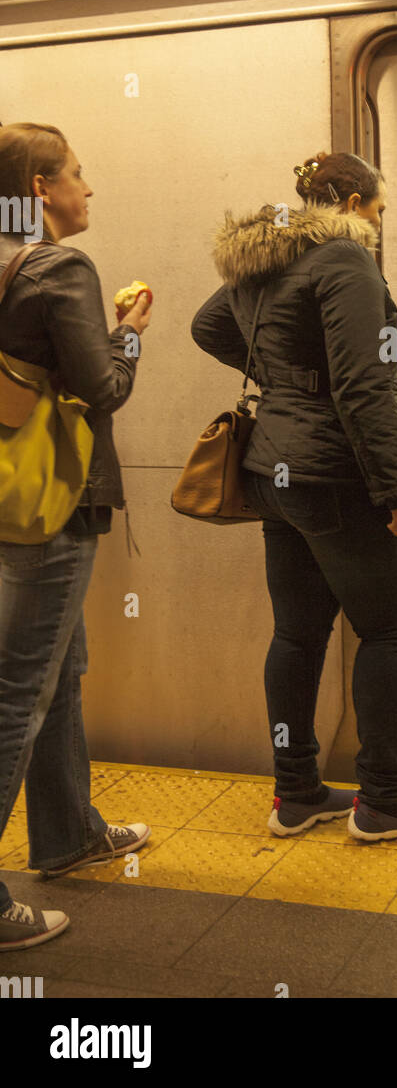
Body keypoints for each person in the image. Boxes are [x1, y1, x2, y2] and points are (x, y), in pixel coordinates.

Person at [190, 151, 397, 842]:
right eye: (378, 208)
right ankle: (384, 801)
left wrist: (282, 379)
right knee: (391, 629)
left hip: (276, 473)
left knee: (298, 634)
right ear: (352, 203)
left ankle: (298, 791)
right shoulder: (344, 262)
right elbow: (365, 387)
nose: (379, 221)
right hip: (336, 476)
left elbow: (207, 325)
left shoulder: (266, 261)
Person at [0, 122, 151, 952]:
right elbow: (105, 389)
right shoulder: (61, 266)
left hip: (7, 496)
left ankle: (67, 835)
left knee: (62, 673)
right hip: (50, 504)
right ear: (39, 190)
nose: (86, 189)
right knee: (18, 693)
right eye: (76, 176)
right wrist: (128, 332)